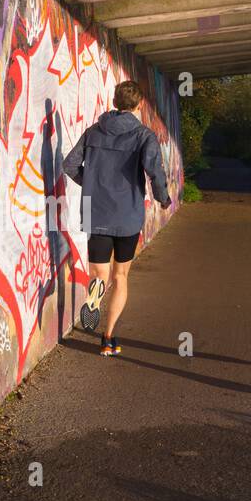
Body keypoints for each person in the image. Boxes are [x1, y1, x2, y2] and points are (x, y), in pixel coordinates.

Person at [63, 80, 172, 356]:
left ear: (114, 102)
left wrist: (90, 184)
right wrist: (163, 198)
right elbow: (154, 171)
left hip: (95, 211)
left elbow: (69, 164)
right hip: (126, 214)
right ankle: (108, 338)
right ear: (138, 106)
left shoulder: (93, 132)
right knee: (120, 276)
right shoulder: (143, 136)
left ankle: (95, 293)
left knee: (99, 273)